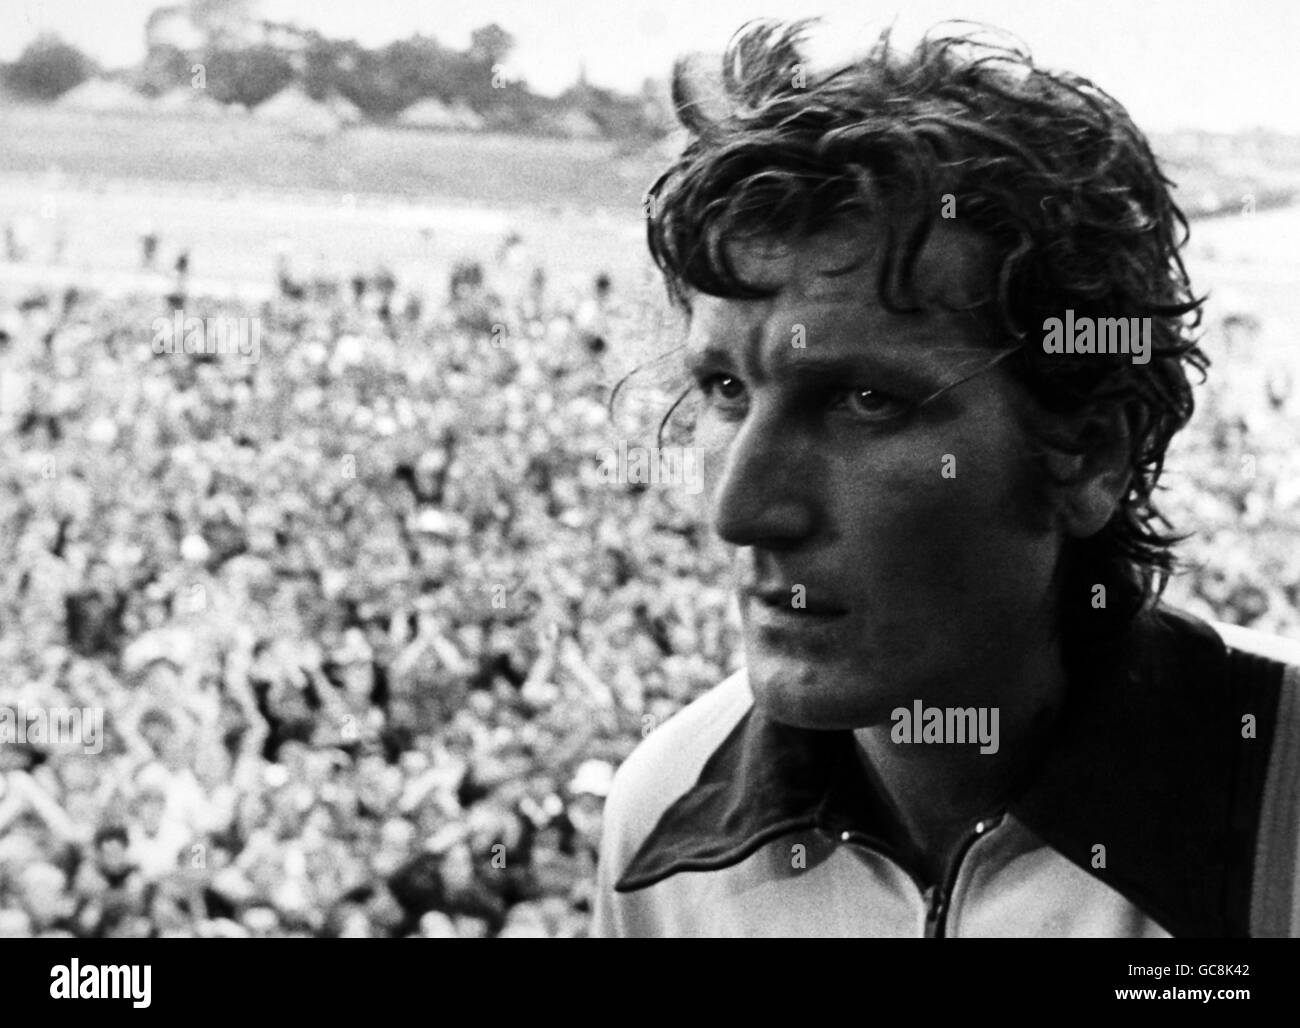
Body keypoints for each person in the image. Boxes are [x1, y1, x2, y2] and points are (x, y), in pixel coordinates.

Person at [593, 18, 1300, 938]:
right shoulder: (664, 820)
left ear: (1087, 453)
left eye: (864, 400)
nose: (740, 510)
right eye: (726, 389)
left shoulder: (1279, 807)